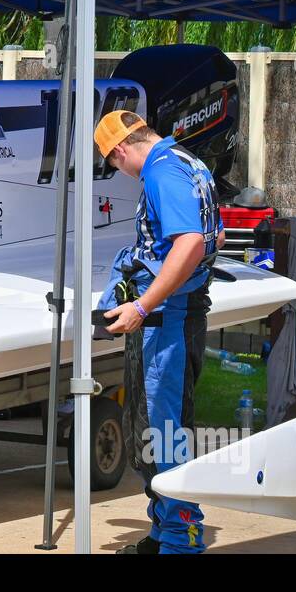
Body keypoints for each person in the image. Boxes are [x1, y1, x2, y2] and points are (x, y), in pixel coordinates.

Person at [94, 110, 223, 555]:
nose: (119, 172)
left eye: (113, 163)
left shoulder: (161, 173)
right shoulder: (191, 163)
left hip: (167, 319)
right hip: (180, 312)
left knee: (162, 430)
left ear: (121, 149)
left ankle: (181, 538)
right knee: (162, 427)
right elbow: (214, 239)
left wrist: (144, 303)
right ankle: (163, 530)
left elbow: (190, 243)